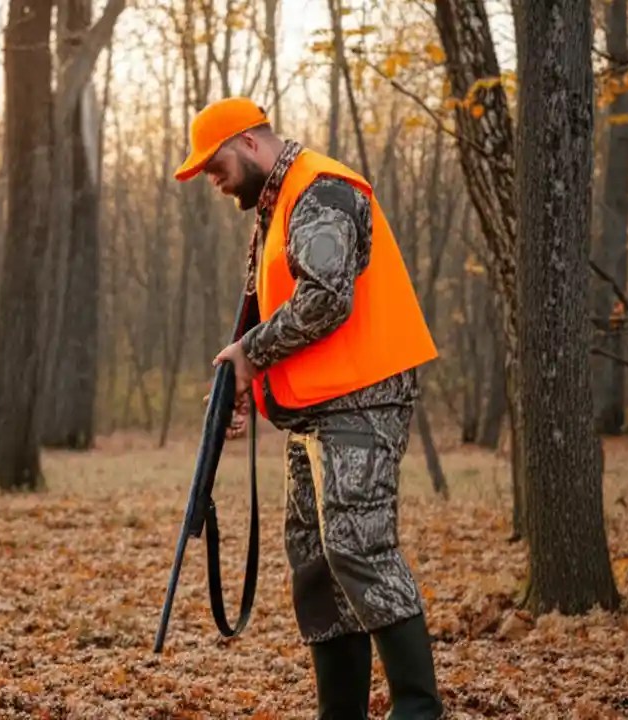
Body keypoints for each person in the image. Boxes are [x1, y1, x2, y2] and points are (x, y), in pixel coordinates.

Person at [174, 96, 444, 719]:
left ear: (247, 143)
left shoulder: (321, 190)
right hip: (318, 409)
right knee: (317, 560)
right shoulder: (275, 209)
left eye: (212, 165)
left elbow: (326, 300)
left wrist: (250, 352)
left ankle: (419, 710)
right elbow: (283, 314)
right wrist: (246, 383)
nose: (211, 182)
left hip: (364, 398)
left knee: (357, 544)